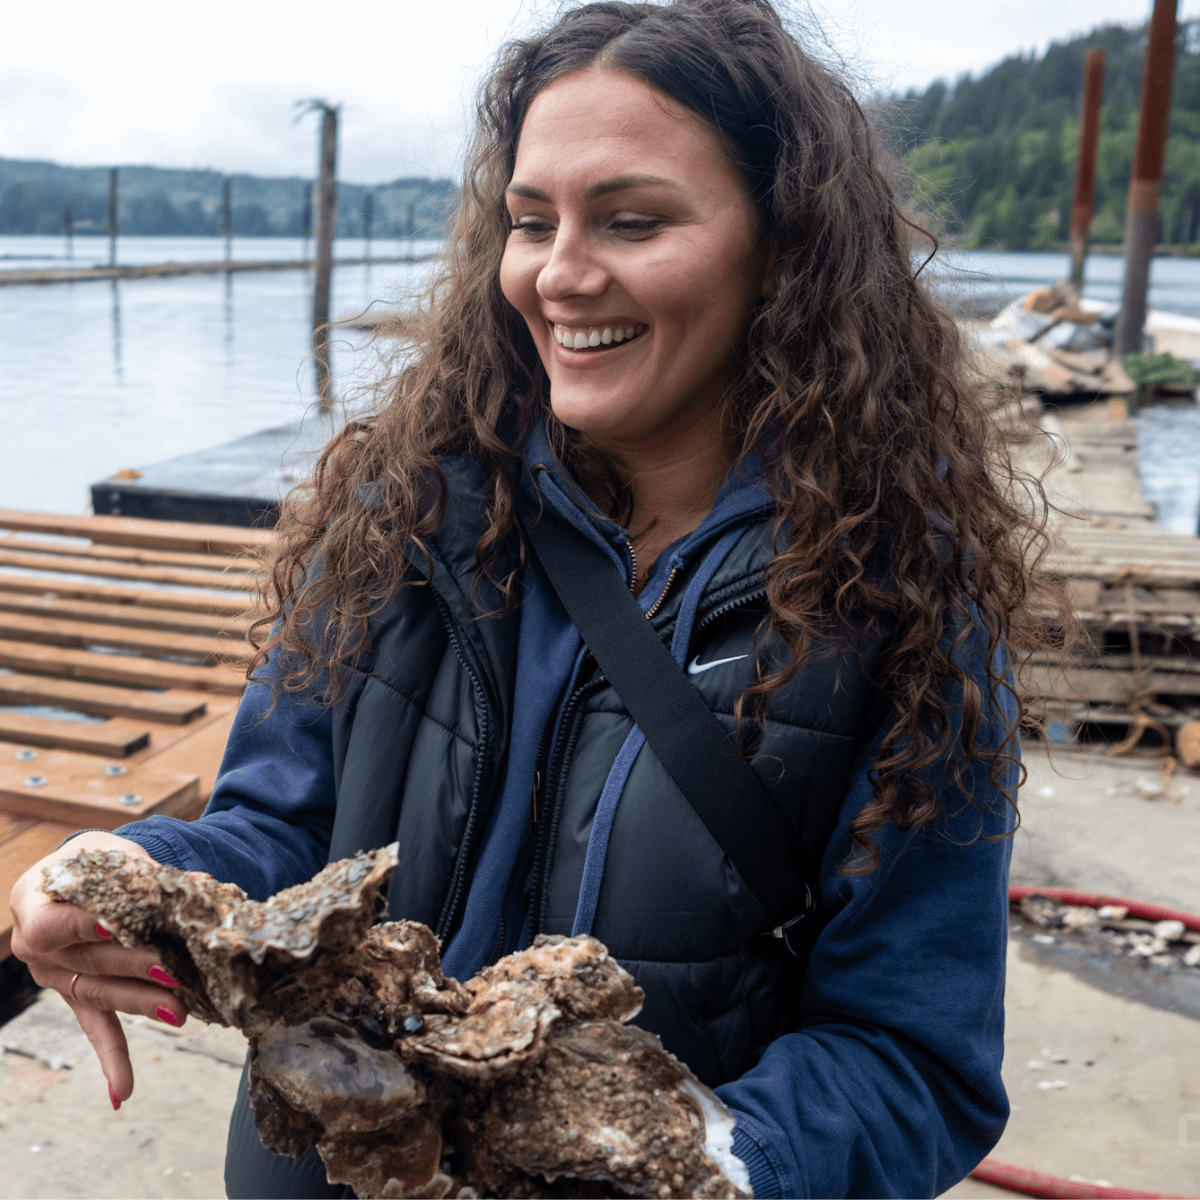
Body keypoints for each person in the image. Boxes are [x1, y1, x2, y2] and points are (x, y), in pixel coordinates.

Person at [9, 1, 1057, 1195]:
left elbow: (913, 1057)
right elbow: (284, 831)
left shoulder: (899, 602)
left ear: (781, 250)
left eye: (633, 220)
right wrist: (121, 875)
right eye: (529, 221)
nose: (559, 275)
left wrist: (709, 1164)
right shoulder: (402, 516)